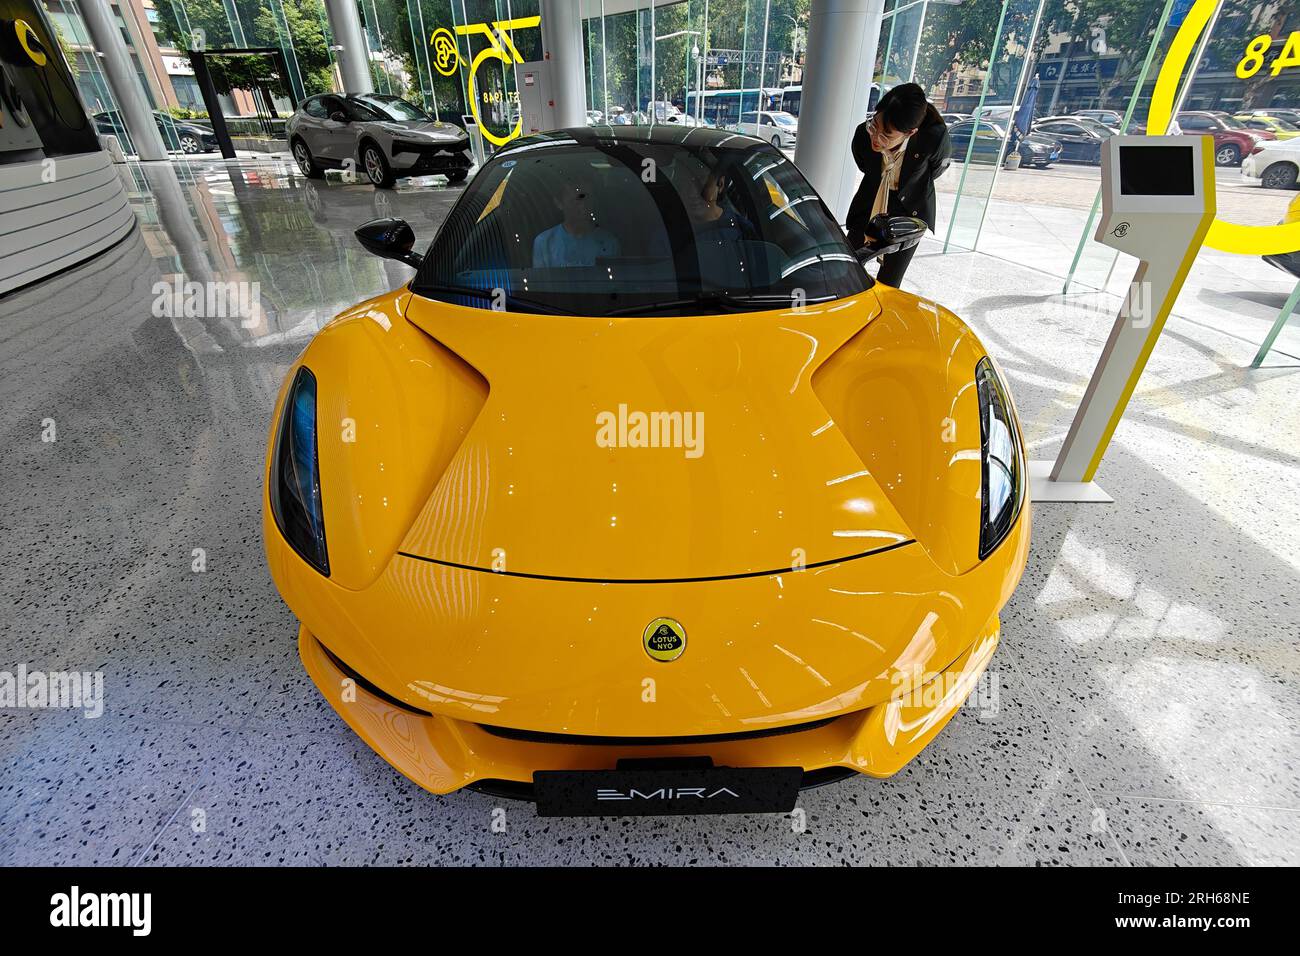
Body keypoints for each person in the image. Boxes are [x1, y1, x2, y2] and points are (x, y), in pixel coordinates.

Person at [845, 83, 951, 288]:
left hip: (909, 209)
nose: (876, 138)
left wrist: (904, 184)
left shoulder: (933, 138)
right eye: (874, 125)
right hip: (871, 201)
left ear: (910, 133)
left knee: (890, 280)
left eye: (887, 135)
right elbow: (863, 164)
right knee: (847, 267)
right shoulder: (863, 134)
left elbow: (936, 170)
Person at [532, 183, 620, 268]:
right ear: (559, 203)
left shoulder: (609, 242)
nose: (583, 206)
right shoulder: (544, 242)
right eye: (575, 201)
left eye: (587, 199)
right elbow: (541, 281)